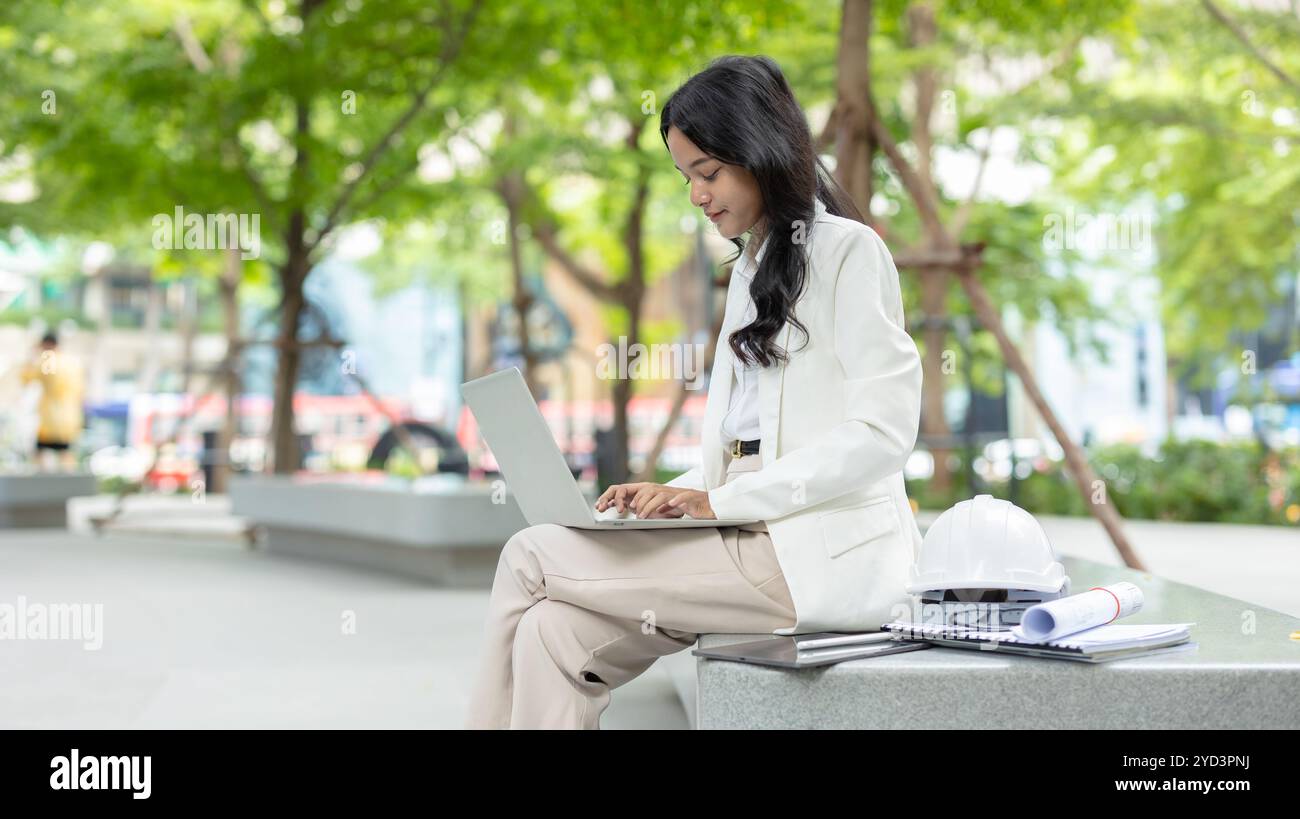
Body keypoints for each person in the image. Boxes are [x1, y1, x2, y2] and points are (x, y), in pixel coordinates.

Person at [464, 55, 924, 730]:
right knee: (552, 633)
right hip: (743, 539)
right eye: (687, 178)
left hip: (807, 556)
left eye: (707, 173)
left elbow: (884, 433)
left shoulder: (848, 253)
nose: (697, 195)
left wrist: (715, 500)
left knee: (529, 553)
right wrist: (666, 496)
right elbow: (743, 456)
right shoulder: (751, 271)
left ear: (760, 152)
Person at [19, 332, 85, 471]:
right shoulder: (71, 362)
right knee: (65, 452)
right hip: (70, 417)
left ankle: (43, 483)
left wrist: (32, 356)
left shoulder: (49, 360)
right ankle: (68, 482)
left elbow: (27, 378)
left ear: (46, 344)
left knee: (40, 452)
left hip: (51, 418)